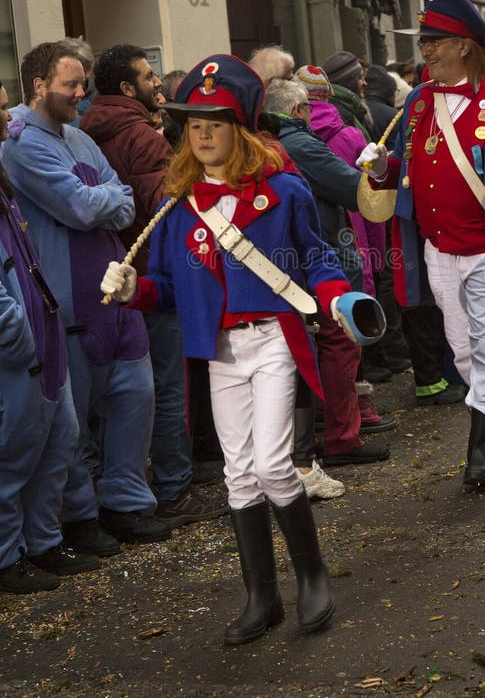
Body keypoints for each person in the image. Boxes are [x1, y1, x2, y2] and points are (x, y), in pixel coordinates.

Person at [100, 54, 349, 645]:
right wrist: (136, 290)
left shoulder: (284, 190)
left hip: (273, 342)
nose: (204, 134)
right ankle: (261, 596)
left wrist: (336, 295)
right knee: (239, 474)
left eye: (215, 122)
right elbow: (164, 289)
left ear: (240, 129)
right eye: (193, 124)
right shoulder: (176, 205)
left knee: (270, 463)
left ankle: (312, 577)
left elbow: (317, 256)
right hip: (218, 352)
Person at [357, 0, 485, 492]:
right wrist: (384, 166)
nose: (424, 49)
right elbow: (416, 169)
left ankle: (480, 452)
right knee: (462, 350)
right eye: (423, 40)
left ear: (463, 45)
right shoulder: (421, 103)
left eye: (433, 39)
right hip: (438, 248)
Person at [2, 42, 170, 551]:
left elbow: (123, 202)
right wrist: (104, 201)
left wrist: (104, 201)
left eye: (83, 83)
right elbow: (79, 205)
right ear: (39, 85)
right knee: (69, 427)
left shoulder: (79, 137)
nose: (81, 94)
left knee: (134, 400)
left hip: (116, 297)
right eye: (71, 85)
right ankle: (79, 517)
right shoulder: (21, 144)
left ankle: (126, 503)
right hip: (69, 304)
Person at [80, 45, 223, 529]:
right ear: (127, 88)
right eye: (148, 76)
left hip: (116, 273)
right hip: (152, 275)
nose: (158, 82)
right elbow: (169, 202)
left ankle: (161, 478)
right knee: (168, 386)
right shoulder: (142, 135)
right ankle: (174, 487)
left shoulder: (88, 130)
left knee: (131, 392)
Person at [0, 83, 99, 592]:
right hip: (19, 350)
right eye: (0, 108)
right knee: (13, 458)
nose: (9, 118)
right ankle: (7, 556)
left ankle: (41, 543)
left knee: (56, 442)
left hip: (41, 338)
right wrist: (17, 336)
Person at [263, 76, 391, 465]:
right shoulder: (300, 143)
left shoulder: (268, 141)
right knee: (339, 344)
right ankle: (342, 437)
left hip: (286, 263)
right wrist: (377, 170)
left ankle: (317, 437)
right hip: (322, 258)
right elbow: (354, 189)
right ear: (298, 111)